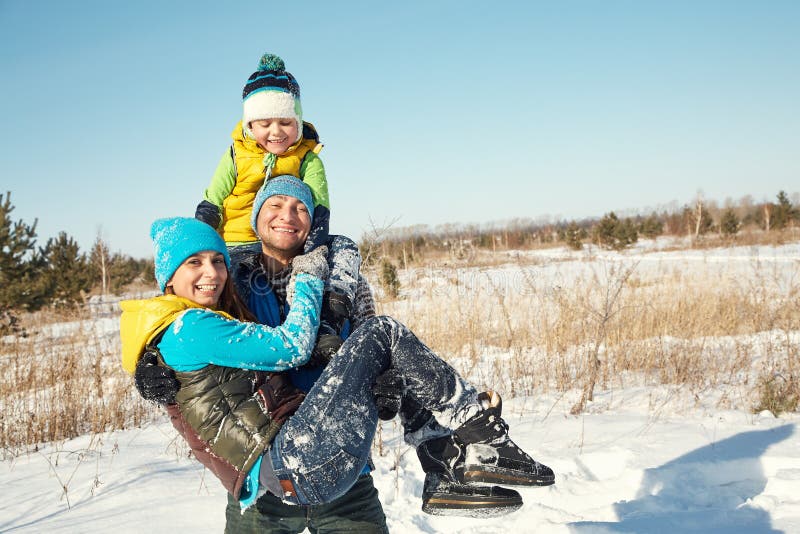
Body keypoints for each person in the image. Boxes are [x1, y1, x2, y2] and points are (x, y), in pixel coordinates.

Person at [132, 178, 555, 531]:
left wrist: (386, 386)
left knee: (382, 337)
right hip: (262, 476)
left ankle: (444, 461)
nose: (287, 215)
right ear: (256, 218)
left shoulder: (346, 285)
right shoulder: (230, 281)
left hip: (342, 465)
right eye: (274, 205)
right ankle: (464, 442)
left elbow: (378, 354)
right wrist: (149, 368)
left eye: (301, 208)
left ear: (312, 222)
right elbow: (178, 315)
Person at [194, 52, 356, 358]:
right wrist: (203, 236)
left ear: (298, 122)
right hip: (239, 241)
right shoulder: (235, 156)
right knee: (240, 287)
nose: (276, 131)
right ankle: (248, 341)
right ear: (249, 125)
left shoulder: (308, 158)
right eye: (265, 123)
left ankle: (331, 317)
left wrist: (315, 243)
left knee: (342, 248)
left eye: (285, 122)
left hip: (294, 240)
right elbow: (213, 199)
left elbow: (320, 205)